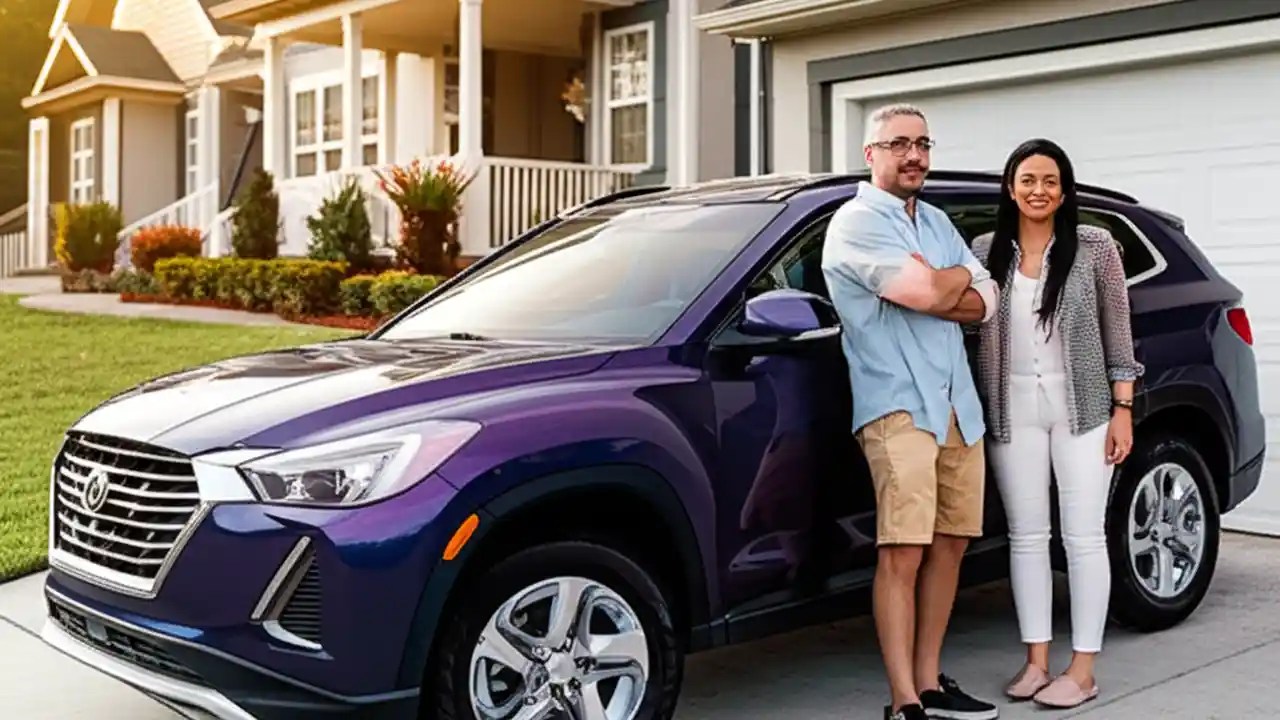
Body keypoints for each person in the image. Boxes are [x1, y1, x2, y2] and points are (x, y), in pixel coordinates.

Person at [821, 103, 1001, 720]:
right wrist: (950, 284)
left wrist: (943, 283)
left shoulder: (938, 223)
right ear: (871, 155)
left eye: (923, 143)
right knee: (903, 551)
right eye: (899, 144)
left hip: (958, 407)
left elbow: (989, 301)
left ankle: (928, 682)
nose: (914, 155)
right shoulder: (853, 224)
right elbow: (932, 293)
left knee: (951, 544)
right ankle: (903, 703)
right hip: (898, 406)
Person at [969, 138, 1142, 709]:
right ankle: (1036, 661)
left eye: (1049, 180)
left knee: (1084, 536)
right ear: (1010, 187)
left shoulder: (1095, 246)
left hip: (1085, 407)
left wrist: (1123, 409)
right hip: (1012, 409)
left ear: (1064, 189)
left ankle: (1083, 669)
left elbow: (1119, 332)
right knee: (1026, 537)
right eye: (1027, 180)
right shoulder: (986, 249)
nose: (1038, 190)